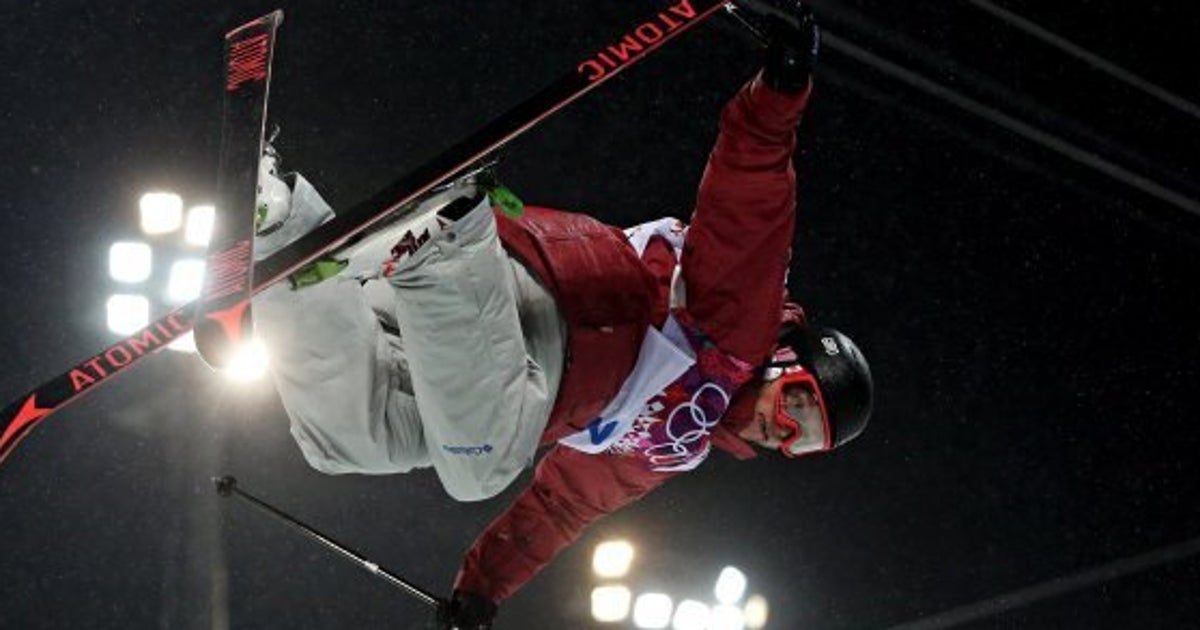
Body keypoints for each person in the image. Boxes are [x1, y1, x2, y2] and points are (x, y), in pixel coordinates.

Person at [251, 3, 873, 628]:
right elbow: (749, 199)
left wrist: (482, 588)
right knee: (479, 465)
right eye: (797, 405)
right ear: (787, 361)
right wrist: (780, 93)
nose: (783, 431)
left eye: (804, 441)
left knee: (356, 441)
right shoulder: (743, 332)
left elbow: (561, 506)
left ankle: (275, 222)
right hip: (548, 308)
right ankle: (445, 244)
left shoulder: (674, 451)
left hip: (476, 353)